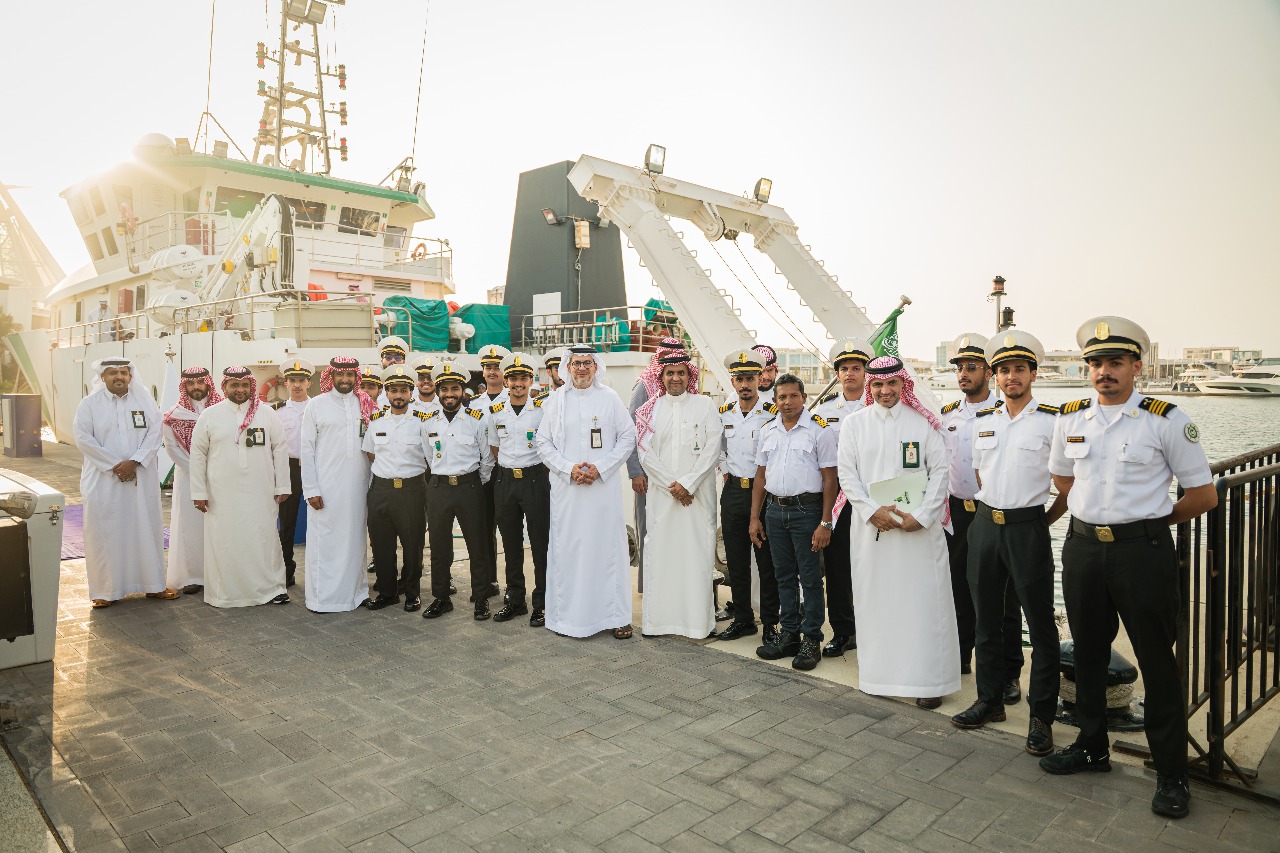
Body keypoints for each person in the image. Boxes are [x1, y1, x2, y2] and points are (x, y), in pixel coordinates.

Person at [1040, 317, 1215, 820]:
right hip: (1083, 549)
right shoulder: (1070, 417)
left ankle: (1171, 773)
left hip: (1143, 553)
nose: (1103, 372)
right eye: (1095, 363)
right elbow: (1062, 478)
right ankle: (1092, 748)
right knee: (1090, 653)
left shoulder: (1165, 418)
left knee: (1157, 661)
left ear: (1137, 366)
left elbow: (1202, 495)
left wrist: (1149, 523)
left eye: (1115, 362)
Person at [949, 332, 1065, 759]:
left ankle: (1041, 717)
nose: (1010, 376)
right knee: (987, 618)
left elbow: (1067, 488)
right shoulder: (986, 422)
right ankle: (989, 700)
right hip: (985, 524)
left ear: (1033, 373)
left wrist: (1035, 523)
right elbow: (982, 476)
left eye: (1019, 369)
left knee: (1039, 624)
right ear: (995, 377)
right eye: (1003, 370)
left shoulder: (1053, 421)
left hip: (1025, 528)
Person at [837, 356, 960, 708]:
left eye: (891, 384)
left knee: (923, 604)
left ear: (903, 384)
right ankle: (880, 676)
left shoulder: (922, 423)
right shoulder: (854, 425)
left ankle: (929, 682)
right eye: (877, 384)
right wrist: (871, 511)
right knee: (877, 601)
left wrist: (921, 516)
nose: (884, 391)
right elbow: (848, 476)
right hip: (872, 532)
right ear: (869, 386)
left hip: (918, 532)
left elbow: (940, 473)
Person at [940, 332, 1024, 696]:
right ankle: (960, 653)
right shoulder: (947, 416)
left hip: (993, 512)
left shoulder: (1004, 414)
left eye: (971, 367)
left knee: (1003, 595)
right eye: (959, 368)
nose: (964, 374)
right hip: (958, 510)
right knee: (958, 587)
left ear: (988, 372)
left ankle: (1008, 671)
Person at [536, 345, 637, 639]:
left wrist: (601, 468)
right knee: (570, 551)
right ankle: (568, 619)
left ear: (596, 367)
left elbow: (627, 436)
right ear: (567, 367)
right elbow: (543, 443)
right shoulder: (555, 401)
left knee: (607, 550)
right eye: (576, 363)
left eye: (587, 363)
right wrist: (568, 469)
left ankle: (617, 617)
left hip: (602, 492)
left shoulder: (610, 399)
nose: (581, 368)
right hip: (568, 493)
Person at [749, 373, 838, 671]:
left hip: (807, 512)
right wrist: (755, 518)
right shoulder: (768, 430)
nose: (787, 402)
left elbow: (830, 480)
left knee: (810, 578)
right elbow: (761, 476)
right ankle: (789, 634)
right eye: (781, 397)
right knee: (783, 575)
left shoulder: (818, 431)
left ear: (802, 397)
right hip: (774, 511)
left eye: (793, 396)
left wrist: (826, 523)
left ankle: (812, 637)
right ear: (775, 401)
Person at [73, 358, 177, 608]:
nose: (119, 377)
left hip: (139, 478)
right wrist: (114, 465)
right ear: (102, 377)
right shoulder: (89, 405)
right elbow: (83, 439)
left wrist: (135, 462)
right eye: (112, 373)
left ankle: (153, 585)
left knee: (145, 527)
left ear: (130, 376)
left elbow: (155, 433)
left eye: (123, 372)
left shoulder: (145, 402)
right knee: (103, 532)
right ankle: (104, 590)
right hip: (103, 480)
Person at [189, 366, 292, 608]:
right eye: (234, 385)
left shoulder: (267, 414)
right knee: (225, 540)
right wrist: (199, 492)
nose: (240, 390)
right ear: (224, 387)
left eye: (245, 385)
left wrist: (283, 485)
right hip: (221, 494)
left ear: (251, 387)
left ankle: (273, 589)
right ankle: (225, 593)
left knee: (263, 538)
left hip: (261, 491)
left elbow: (280, 449)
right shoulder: (210, 416)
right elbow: (198, 455)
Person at [637, 349, 721, 639]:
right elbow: (645, 453)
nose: (675, 378)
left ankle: (698, 624)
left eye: (681, 372)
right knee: (662, 556)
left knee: (697, 557)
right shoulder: (650, 409)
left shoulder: (705, 405)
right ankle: (658, 622)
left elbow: (713, 447)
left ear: (689, 376)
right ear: (660, 376)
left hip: (697, 498)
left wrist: (689, 483)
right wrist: (674, 485)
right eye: (669, 373)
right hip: (663, 499)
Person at [421, 361, 497, 620]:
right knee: (439, 546)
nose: (449, 394)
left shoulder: (477, 420)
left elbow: (487, 458)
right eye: (445, 389)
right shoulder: (428, 422)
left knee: (478, 545)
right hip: (439, 487)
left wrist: (476, 480)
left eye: (455, 388)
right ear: (438, 392)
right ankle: (441, 598)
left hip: (469, 486)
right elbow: (429, 456)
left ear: (463, 391)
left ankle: (481, 598)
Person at [813, 337, 873, 657]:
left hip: (873, 498)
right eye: (844, 368)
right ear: (837, 374)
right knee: (837, 568)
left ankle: (873, 627)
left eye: (856, 368)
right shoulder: (825, 410)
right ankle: (842, 630)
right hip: (839, 501)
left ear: (866, 372)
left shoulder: (879, 404)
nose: (850, 373)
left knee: (873, 565)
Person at [301, 356, 376, 612]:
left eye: (349, 375)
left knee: (355, 539)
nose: (345, 380)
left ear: (356, 377)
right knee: (326, 541)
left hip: (358, 486)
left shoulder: (364, 404)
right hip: (325, 488)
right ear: (330, 377)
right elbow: (306, 450)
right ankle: (322, 598)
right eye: (339, 375)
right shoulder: (316, 406)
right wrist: (310, 489)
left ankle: (357, 592)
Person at [715, 351, 781, 643]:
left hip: (763, 494)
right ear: (733, 380)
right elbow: (717, 447)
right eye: (739, 379)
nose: (745, 384)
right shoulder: (725, 411)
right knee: (736, 561)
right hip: (732, 494)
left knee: (766, 563)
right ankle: (743, 619)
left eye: (750, 378)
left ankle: (769, 623)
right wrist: (726, 469)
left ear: (759, 380)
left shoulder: (772, 413)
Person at [487, 352, 550, 625]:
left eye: (523, 378)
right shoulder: (495, 412)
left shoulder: (542, 411)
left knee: (540, 543)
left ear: (530, 380)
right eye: (512, 378)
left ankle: (542, 602)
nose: (518, 384)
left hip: (535, 479)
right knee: (510, 543)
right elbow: (493, 447)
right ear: (506, 381)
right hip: (505, 481)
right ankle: (515, 600)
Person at [362, 365, 430, 612]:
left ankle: (412, 593)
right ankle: (388, 592)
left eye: (403, 390)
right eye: (393, 391)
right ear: (386, 394)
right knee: (381, 544)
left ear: (411, 393)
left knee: (413, 545)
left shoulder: (422, 422)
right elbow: (370, 453)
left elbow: (430, 456)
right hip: (380, 489)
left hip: (412, 490)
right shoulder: (376, 421)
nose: (398, 395)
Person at [626, 338, 689, 588]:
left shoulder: (684, 391)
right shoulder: (645, 385)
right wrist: (635, 472)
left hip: (677, 475)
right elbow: (631, 430)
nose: (674, 374)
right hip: (648, 475)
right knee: (649, 530)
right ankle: (649, 586)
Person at [162, 366, 223, 595]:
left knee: (219, 524)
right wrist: (198, 471)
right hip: (188, 476)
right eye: (190, 383)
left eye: (200, 382)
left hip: (221, 476)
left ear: (208, 383)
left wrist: (214, 470)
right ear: (184, 386)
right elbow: (172, 449)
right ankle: (194, 576)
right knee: (190, 526)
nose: (196, 387)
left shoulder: (223, 410)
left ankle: (220, 573)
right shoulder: (174, 415)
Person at [272, 358, 313, 588]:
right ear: (286, 383)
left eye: (301, 380)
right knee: (286, 524)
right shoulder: (276, 412)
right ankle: (286, 570)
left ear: (309, 383)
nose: (297, 385)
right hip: (288, 470)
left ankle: (320, 570)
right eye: (292, 380)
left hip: (314, 468)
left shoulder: (318, 408)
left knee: (321, 520)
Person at [374, 336, 409, 408]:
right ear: (381, 361)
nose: (393, 360)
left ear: (404, 362)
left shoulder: (411, 387)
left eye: (397, 358)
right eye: (388, 357)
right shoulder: (373, 385)